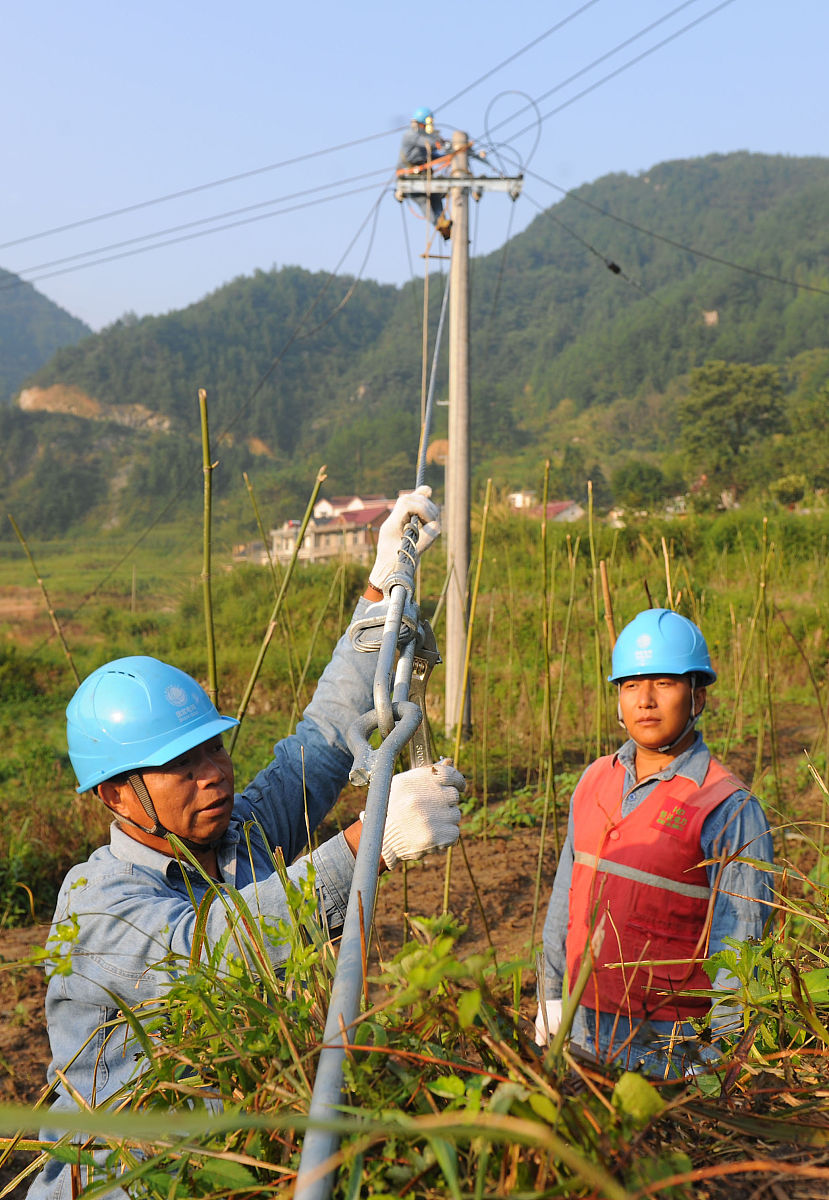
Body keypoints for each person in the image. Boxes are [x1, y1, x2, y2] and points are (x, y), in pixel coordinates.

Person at [28, 487, 464, 1199]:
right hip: (126, 1181)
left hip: (228, 1160)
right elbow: (218, 948)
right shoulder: (96, 906)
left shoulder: (236, 837)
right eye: (180, 766)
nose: (213, 776)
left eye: (214, 750)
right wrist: (366, 842)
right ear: (114, 795)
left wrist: (380, 588)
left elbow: (321, 740)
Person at [536, 608, 774, 1078]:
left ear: (697, 696)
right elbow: (567, 896)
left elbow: (740, 939)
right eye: (630, 685)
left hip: (669, 1041)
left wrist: (718, 1052)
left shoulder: (728, 806)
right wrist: (549, 992)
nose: (645, 700)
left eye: (664, 683)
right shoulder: (593, 781)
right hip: (581, 1021)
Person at [397, 106, 452, 240]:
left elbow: (432, 154)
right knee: (422, 202)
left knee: (436, 197)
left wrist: (449, 155)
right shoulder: (410, 135)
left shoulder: (424, 138)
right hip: (411, 177)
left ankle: (442, 222)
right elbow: (427, 144)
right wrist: (440, 142)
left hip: (424, 175)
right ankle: (438, 223)